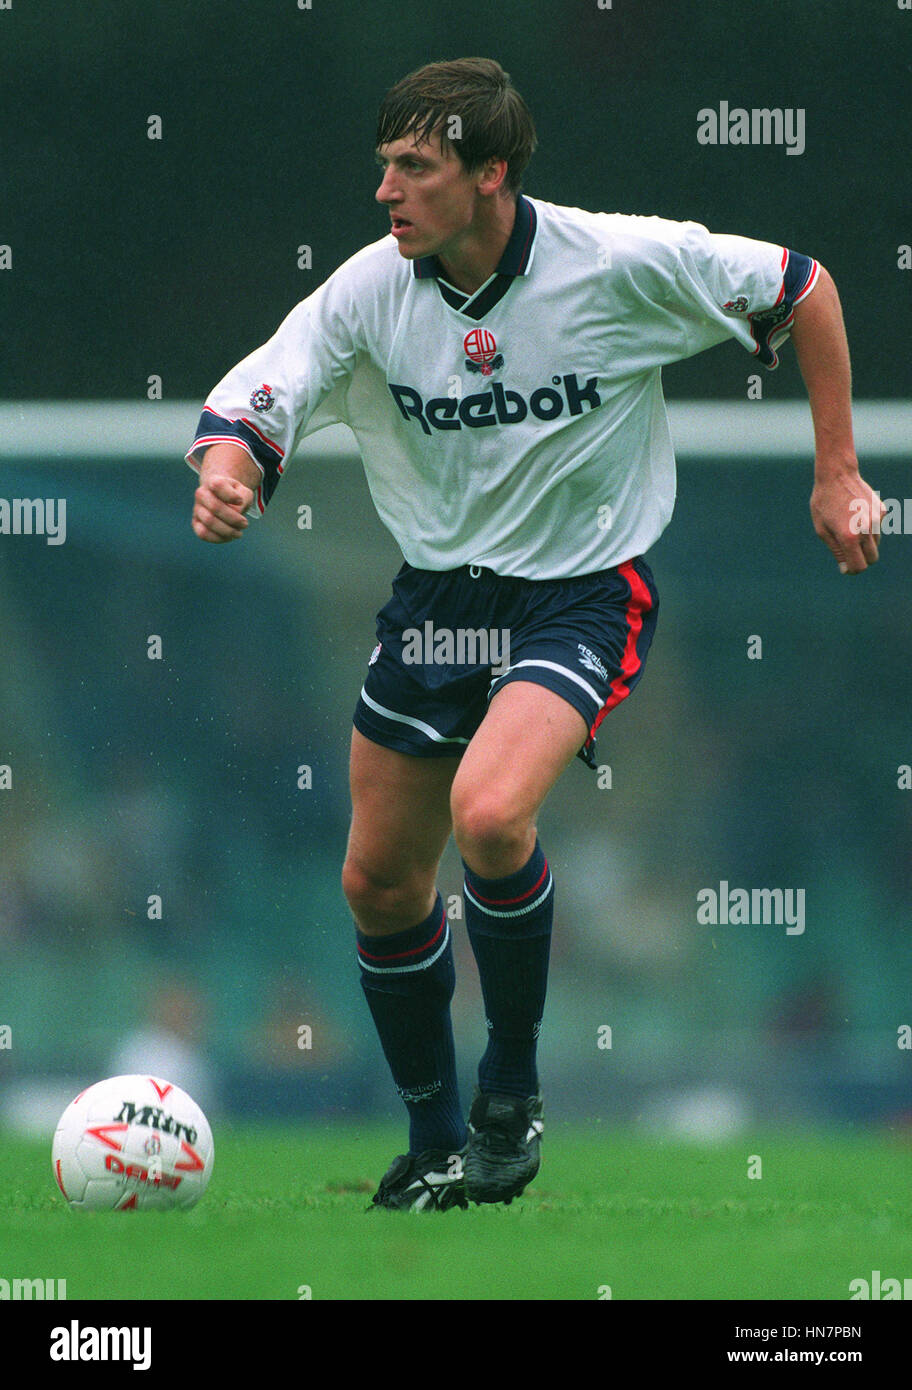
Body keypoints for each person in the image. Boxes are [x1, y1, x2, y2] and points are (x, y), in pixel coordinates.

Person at [185, 57, 884, 1211]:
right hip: (436, 601)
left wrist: (839, 469)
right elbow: (267, 391)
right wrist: (227, 474)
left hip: (582, 590)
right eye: (384, 167)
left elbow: (802, 285)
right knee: (375, 878)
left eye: (415, 167)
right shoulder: (370, 288)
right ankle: (436, 1138)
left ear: (490, 173)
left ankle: (510, 1094)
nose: (387, 192)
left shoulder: (616, 262)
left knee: (493, 813)